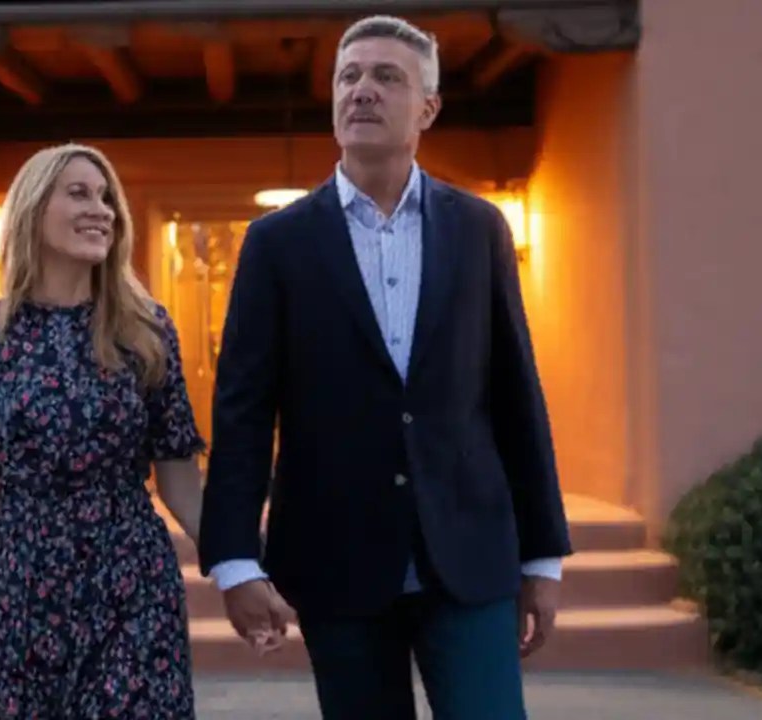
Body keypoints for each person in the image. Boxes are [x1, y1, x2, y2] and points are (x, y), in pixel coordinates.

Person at [199, 14, 572, 719]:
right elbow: (243, 409)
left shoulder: (480, 228)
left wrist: (542, 557)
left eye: (386, 77)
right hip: (335, 558)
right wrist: (236, 560)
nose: (362, 91)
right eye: (350, 76)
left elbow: (516, 394)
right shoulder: (276, 244)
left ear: (427, 108)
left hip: (469, 554)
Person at [0, 143, 207, 720]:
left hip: (134, 588)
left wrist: (244, 569)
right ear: (31, 209)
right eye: (79, 193)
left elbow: (181, 485)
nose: (101, 208)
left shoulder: (145, 332)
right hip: (21, 596)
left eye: (106, 198)